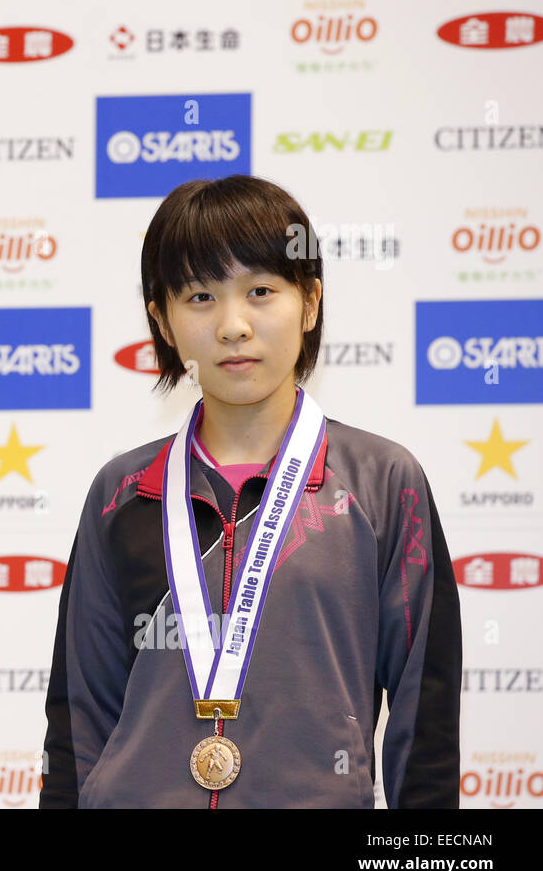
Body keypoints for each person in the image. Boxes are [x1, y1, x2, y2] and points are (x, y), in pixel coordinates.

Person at [39, 175, 461, 808]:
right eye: (201, 296)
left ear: (310, 303)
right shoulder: (121, 493)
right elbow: (78, 714)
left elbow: (423, 718)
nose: (233, 325)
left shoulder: (382, 483)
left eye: (261, 291)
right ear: (163, 319)